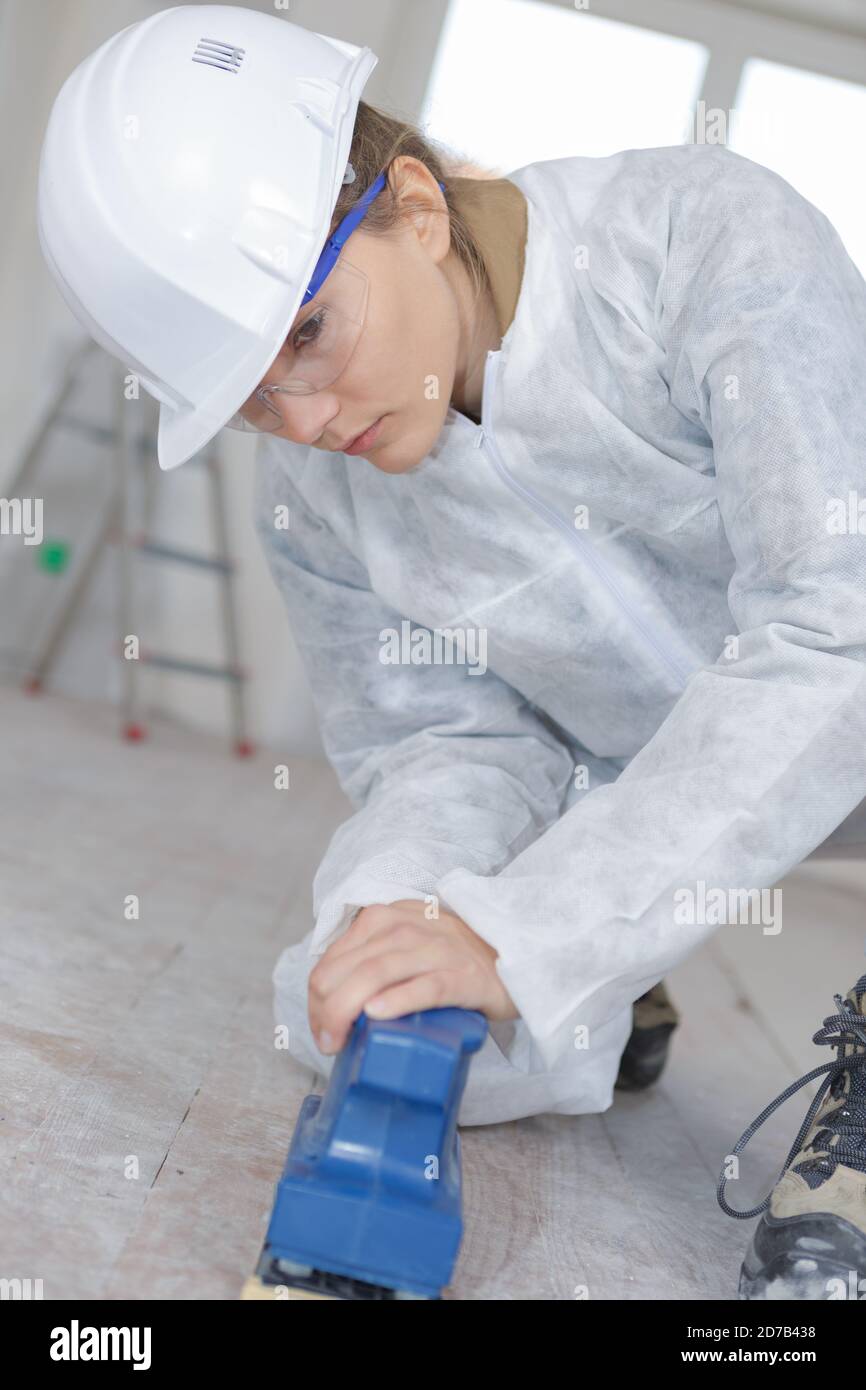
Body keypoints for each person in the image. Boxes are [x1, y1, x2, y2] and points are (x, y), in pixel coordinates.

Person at [38, 4, 866, 1302]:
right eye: (250, 395)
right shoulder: (310, 495)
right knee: (433, 932)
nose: (302, 419)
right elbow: (442, 735)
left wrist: (534, 930)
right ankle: (614, 962)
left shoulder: (705, 241)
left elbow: (838, 628)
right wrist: (406, 921)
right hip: (634, 774)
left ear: (414, 208)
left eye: (307, 335)